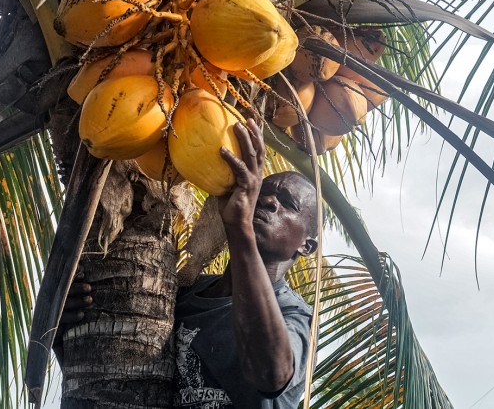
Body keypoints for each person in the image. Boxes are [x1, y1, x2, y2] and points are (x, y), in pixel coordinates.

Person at [58, 119, 319, 409]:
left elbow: (271, 375)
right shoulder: (183, 292)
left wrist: (240, 226)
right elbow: (113, 370)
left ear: (306, 246)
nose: (268, 200)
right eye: (265, 191)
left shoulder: (295, 315)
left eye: (288, 204)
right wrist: (65, 330)